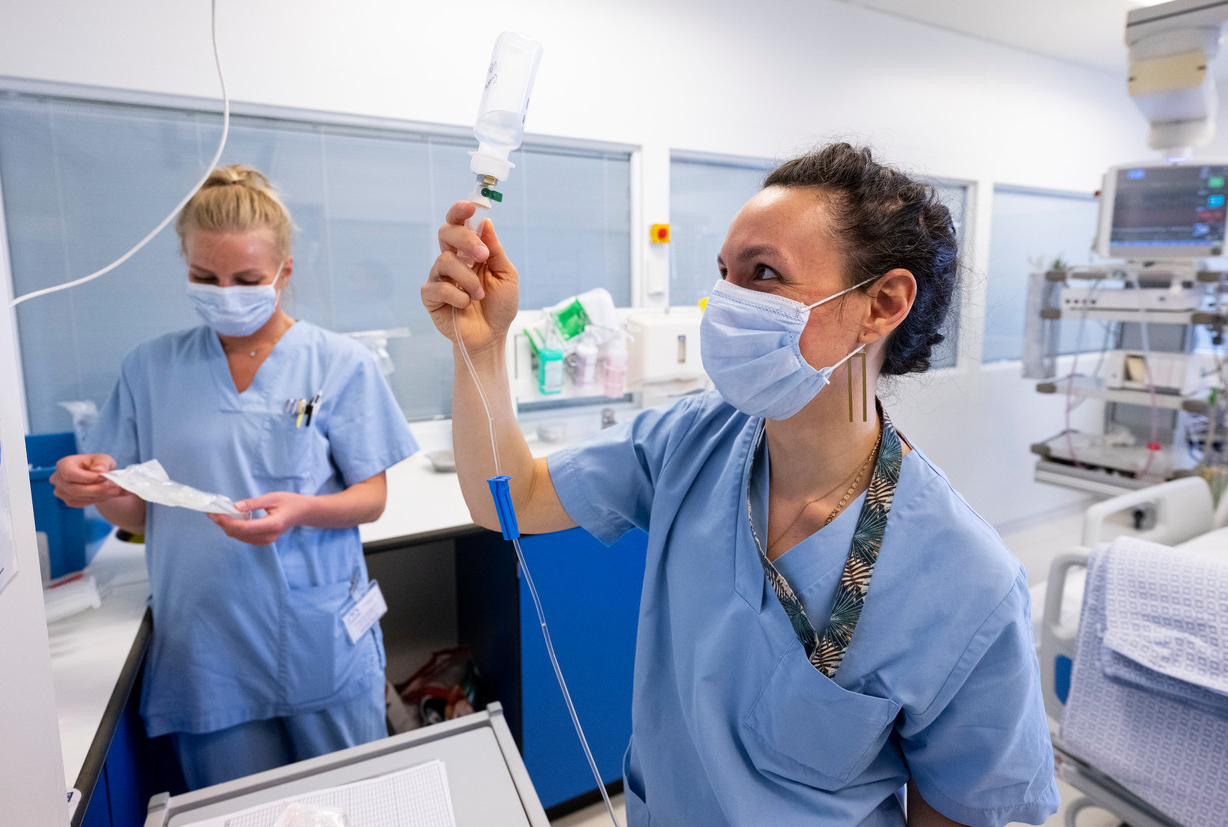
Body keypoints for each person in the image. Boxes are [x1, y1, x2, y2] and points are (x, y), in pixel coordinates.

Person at [422, 143, 1060, 826]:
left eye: (763, 273)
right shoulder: (694, 441)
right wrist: (482, 348)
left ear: (882, 303)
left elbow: (956, 813)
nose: (726, 302)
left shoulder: (965, 582)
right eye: (724, 273)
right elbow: (511, 498)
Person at [51, 165, 419, 790]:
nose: (225, 293)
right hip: (208, 645)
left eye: (246, 280)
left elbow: (372, 497)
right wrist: (100, 491)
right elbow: (142, 514)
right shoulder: (151, 368)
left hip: (318, 635)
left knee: (357, 802)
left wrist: (299, 510)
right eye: (204, 278)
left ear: (284, 273)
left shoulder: (340, 362)